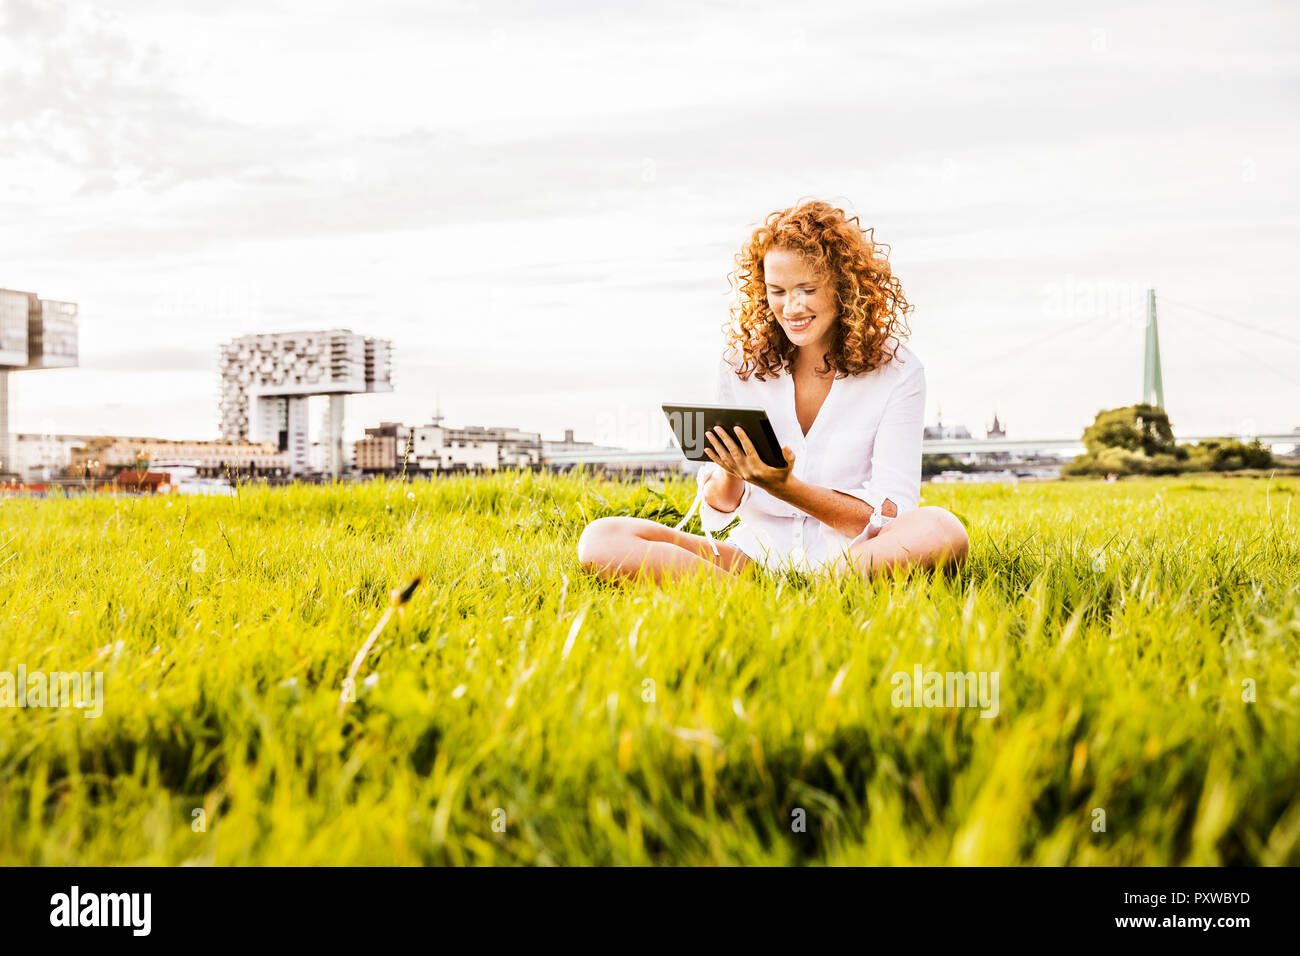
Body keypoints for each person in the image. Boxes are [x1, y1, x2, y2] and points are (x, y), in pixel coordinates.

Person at [576, 199, 970, 585]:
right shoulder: (741, 363)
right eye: (777, 291)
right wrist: (732, 472)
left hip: (854, 557)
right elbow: (721, 503)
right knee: (602, 539)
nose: (791, 307)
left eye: (807, 288)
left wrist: (788, 489)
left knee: (941, 529)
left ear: (844, 287)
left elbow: (892, 517)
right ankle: (743, 590)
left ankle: (820, 584)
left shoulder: (898, 370)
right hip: (753, 556)